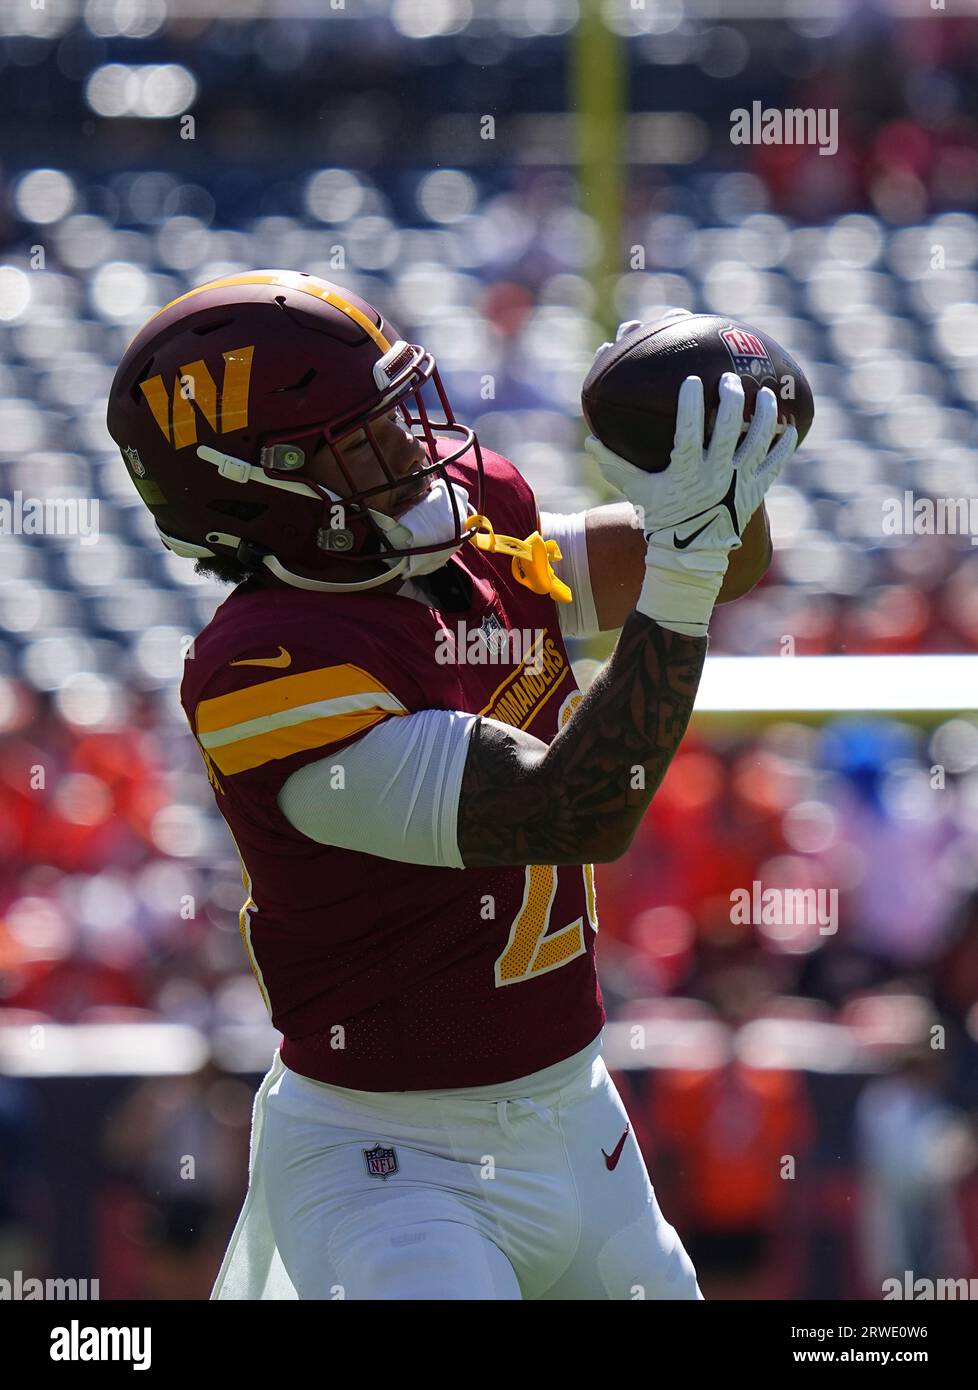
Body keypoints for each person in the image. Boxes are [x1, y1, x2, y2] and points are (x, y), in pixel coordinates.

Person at [106, 272, 797, 1300]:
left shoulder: (473, 525)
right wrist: (687, 570)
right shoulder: (269, 669)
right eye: (364, 432)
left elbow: (723, 562)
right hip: (390, 1159)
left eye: (397, 407)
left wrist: (712, 475)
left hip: (575, 1111)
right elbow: (575, 809)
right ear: (264, 483)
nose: (415, 443)